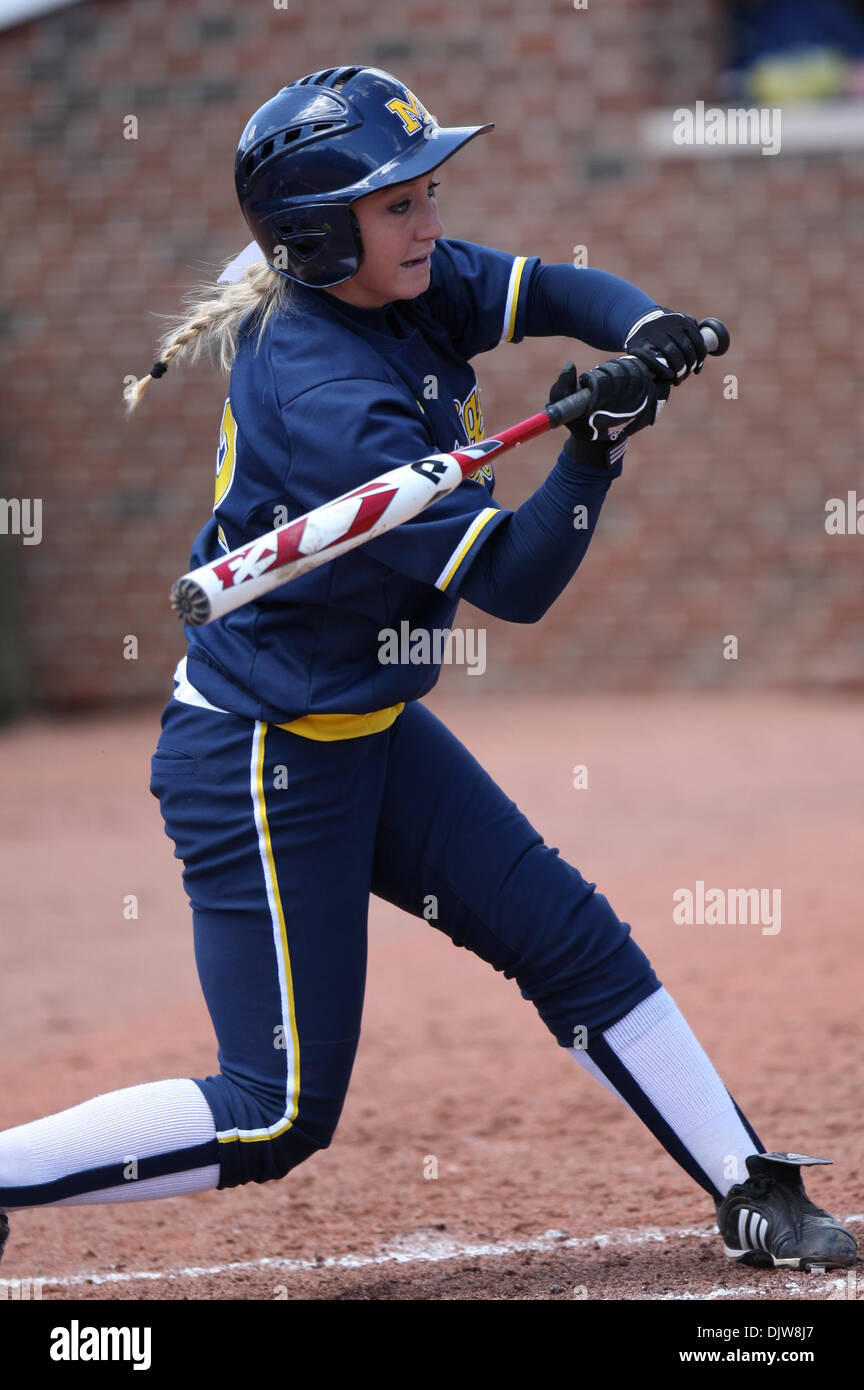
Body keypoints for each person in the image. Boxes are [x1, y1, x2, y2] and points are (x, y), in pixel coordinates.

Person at [0, 66, 854, 1278]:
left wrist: (642, 330)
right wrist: (592, 455)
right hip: (263, 758)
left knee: (575, 944)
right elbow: (513, 580)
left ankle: (746, 1188)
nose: (428, 218)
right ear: (312, 234)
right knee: (278, 1109)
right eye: (396, 202)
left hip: (368, 727)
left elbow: (557, 288)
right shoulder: (324, 399)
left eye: (424, 191)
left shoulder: (399, 284)